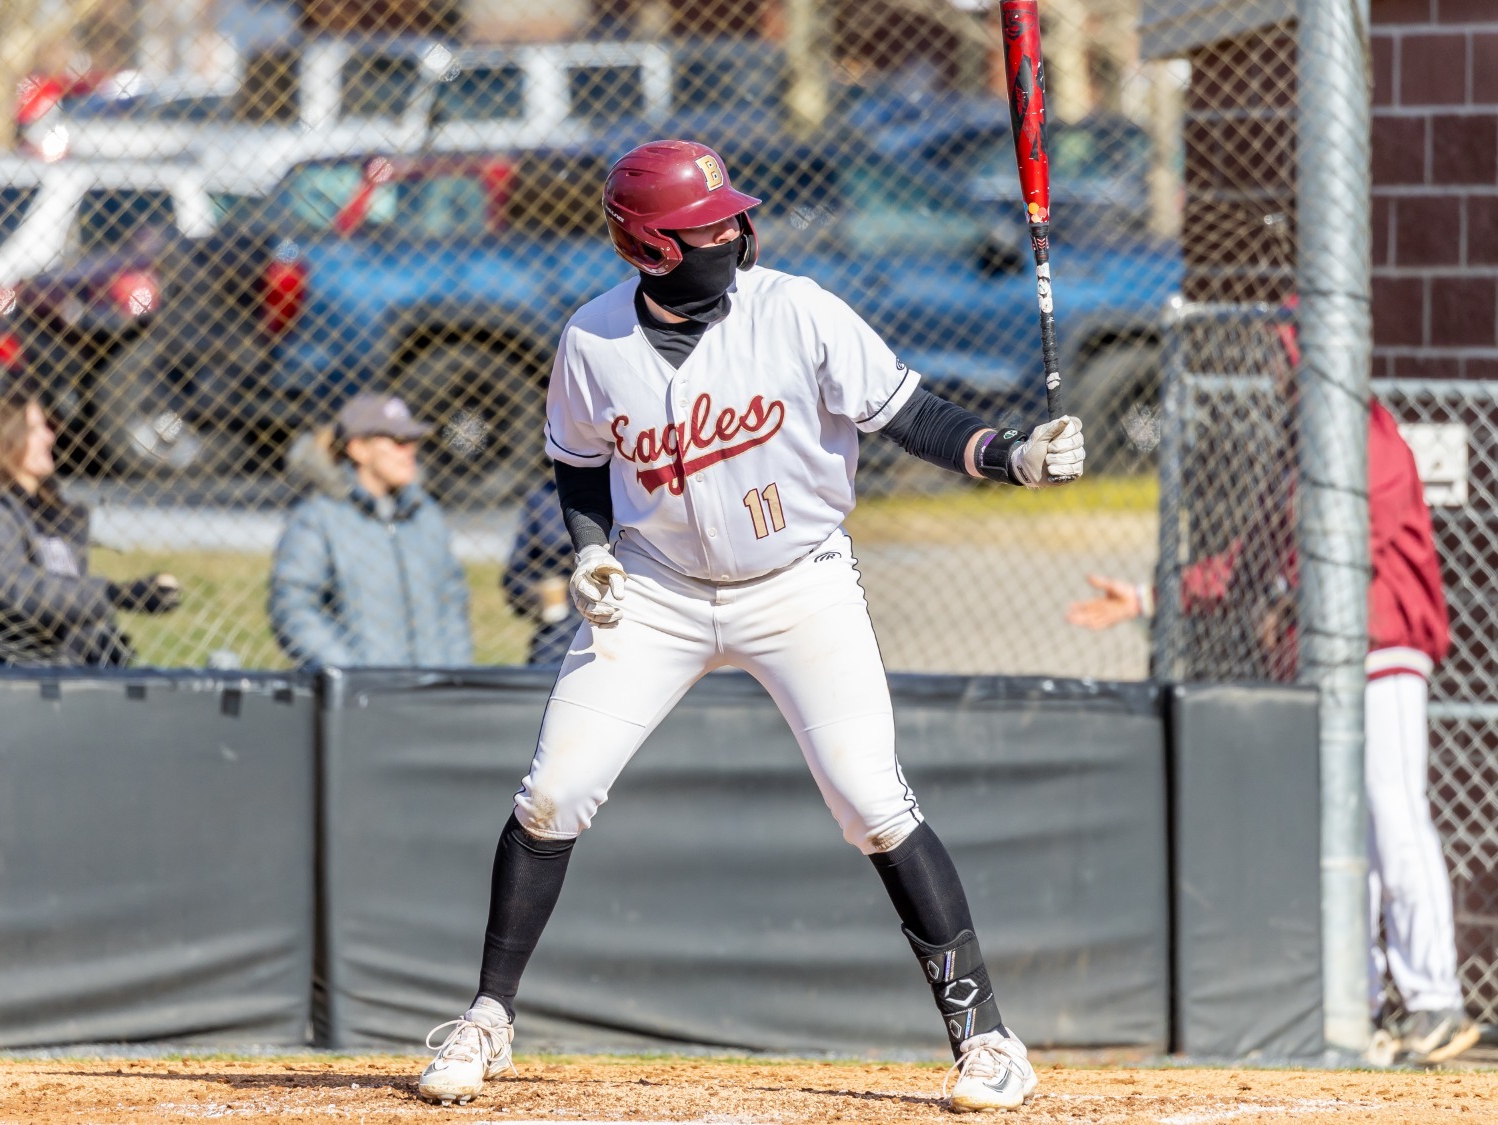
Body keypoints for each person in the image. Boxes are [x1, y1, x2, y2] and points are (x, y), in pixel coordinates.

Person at [413, 140, 1083, 1111]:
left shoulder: (796, 309)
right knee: (552, 792)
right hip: (655, 590)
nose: (731, 230)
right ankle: (485, 1018)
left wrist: (1008, 455)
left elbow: (907, 413)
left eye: (730, 215)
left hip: (797, 584)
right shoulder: (591, 340)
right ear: (648, 247)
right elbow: (576, 461)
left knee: (869, 803)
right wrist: (590, 550)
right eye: (704, 224)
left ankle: (985, 1039)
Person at [1067, 339, 1475, 1068]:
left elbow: (1361, 537)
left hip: (1381, 650)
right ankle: (1367, 1005)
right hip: (1328, 665)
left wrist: (1286, 597)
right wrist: (1149, 596)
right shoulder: (1298, 451)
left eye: (1284, 359)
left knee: (1394, 813)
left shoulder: (1366, 431)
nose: (1274, 373)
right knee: (1350, 841)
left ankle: (1437, 997)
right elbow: (1248, 560)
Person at [0, 389, 180, 666]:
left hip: (51, 678)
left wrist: (97, 644)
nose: (49, 437)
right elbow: (18, 592)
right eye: (34, 429)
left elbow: (63, 607)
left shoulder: (49, 516)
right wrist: (113, 595)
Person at [269, 393, 473, 670]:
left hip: (434, 698)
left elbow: (453, 601)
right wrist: (354, 675)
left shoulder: (425, 515)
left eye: (412, 441)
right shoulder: (317, 520)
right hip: (357, 701)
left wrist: (455, 676)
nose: (410, 450)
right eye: (398, 442)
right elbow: (293, 609)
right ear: (358, 449)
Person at [500, 478, 580, 667]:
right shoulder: (543, 499)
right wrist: (539, 596)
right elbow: (515, 576)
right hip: (560, 634)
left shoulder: (630, 491)